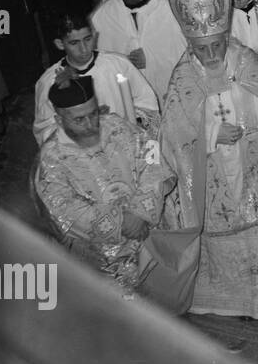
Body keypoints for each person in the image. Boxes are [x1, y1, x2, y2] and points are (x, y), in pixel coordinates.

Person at [155, 0, 258, 325]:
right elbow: (172, 131)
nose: (211, 55)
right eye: (202, 48)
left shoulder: (247, 60)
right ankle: (238, 304)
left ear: (225, 35)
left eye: (216, 45)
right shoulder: (183, 77)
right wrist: (210, 134)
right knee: (228, 242)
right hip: (214, 178)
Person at [33, 75, 173, 298]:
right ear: (59, 120)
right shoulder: (51, 158)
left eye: (93, 114)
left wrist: (141, 212)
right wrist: (121, 223)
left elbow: (152, 157)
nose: (90, 125)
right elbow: (62, 209)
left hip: (147, 232)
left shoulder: (117, 126)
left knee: (160, 302)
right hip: (100, 254)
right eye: (79, 120)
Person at [32, 9, 159, 145]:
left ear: (94, 35)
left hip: (124, 144)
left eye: (87, 39)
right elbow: (45, 129)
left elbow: (147, 103)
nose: (84, 49)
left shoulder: (118, 64)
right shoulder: (48, 81)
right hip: (82, 156)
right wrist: (81, 125)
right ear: (60, 44)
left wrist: (126, 123)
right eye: (74, 43)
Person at [90, 0, 187, 100]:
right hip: (131, 103)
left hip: (173, 98)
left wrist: (151, 57)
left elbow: (189, 54)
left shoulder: (171, 8)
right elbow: (100, 67)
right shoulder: (101, 19)